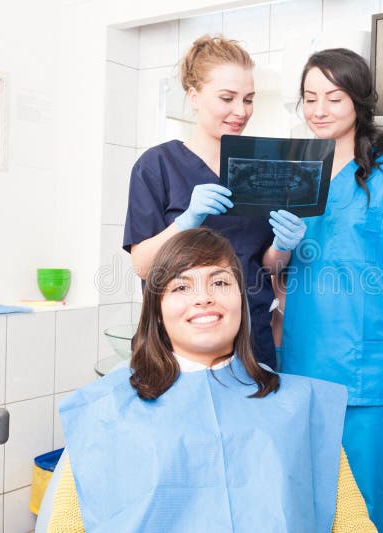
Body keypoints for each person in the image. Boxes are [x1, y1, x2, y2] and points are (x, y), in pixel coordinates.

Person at [46, 228, 377, 532]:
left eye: (219, 283)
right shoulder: (105, 412)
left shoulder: (301, 406)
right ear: (157, 312)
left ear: (241, 301)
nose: (204, 297)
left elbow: (352, 522)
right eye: (181, 286)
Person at [279, 49, 383, 532]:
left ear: (359, 101)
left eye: (333, 97)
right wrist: (279, 249)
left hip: (369, 376)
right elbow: (276, 273)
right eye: (309, 98)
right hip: (302, 368)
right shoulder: (295, 174)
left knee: (366, 512)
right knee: (308, 509)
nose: (319, 109)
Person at [123, 35, 306, 369]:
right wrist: (187, 221)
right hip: (179, 347)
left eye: (248, 99)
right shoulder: (157, 166)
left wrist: (283, 245)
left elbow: (267, 268)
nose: (241, 111)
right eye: (227, 98)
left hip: (251, 341)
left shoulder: (260, 168)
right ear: (193, 97)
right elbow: (143, 266)